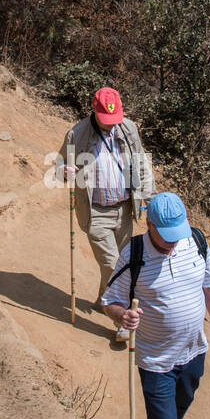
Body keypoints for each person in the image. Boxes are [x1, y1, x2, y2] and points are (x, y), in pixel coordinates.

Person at [102, 192, 210, 419]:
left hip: (193, 351)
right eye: (166, 235)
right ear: (149, 224)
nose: (174, 241)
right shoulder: (133, 254)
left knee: (182, 403)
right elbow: (110, 301)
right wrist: (123, 316)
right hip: (155, 361)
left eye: (177, 233)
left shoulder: (196, 241)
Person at [55, 87, 156, 343]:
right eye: (106, 119)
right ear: (94, 110)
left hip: (124, 208)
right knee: (113, 266)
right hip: (96, 212)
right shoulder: (76, 135)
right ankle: (122, 320)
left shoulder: (129, 129)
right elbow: (57, 167)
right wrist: (64, 171)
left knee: (121, 265)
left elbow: (141, 165)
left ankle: (104, 300)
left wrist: (150, 201)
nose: (111, 125)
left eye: (115, 119)